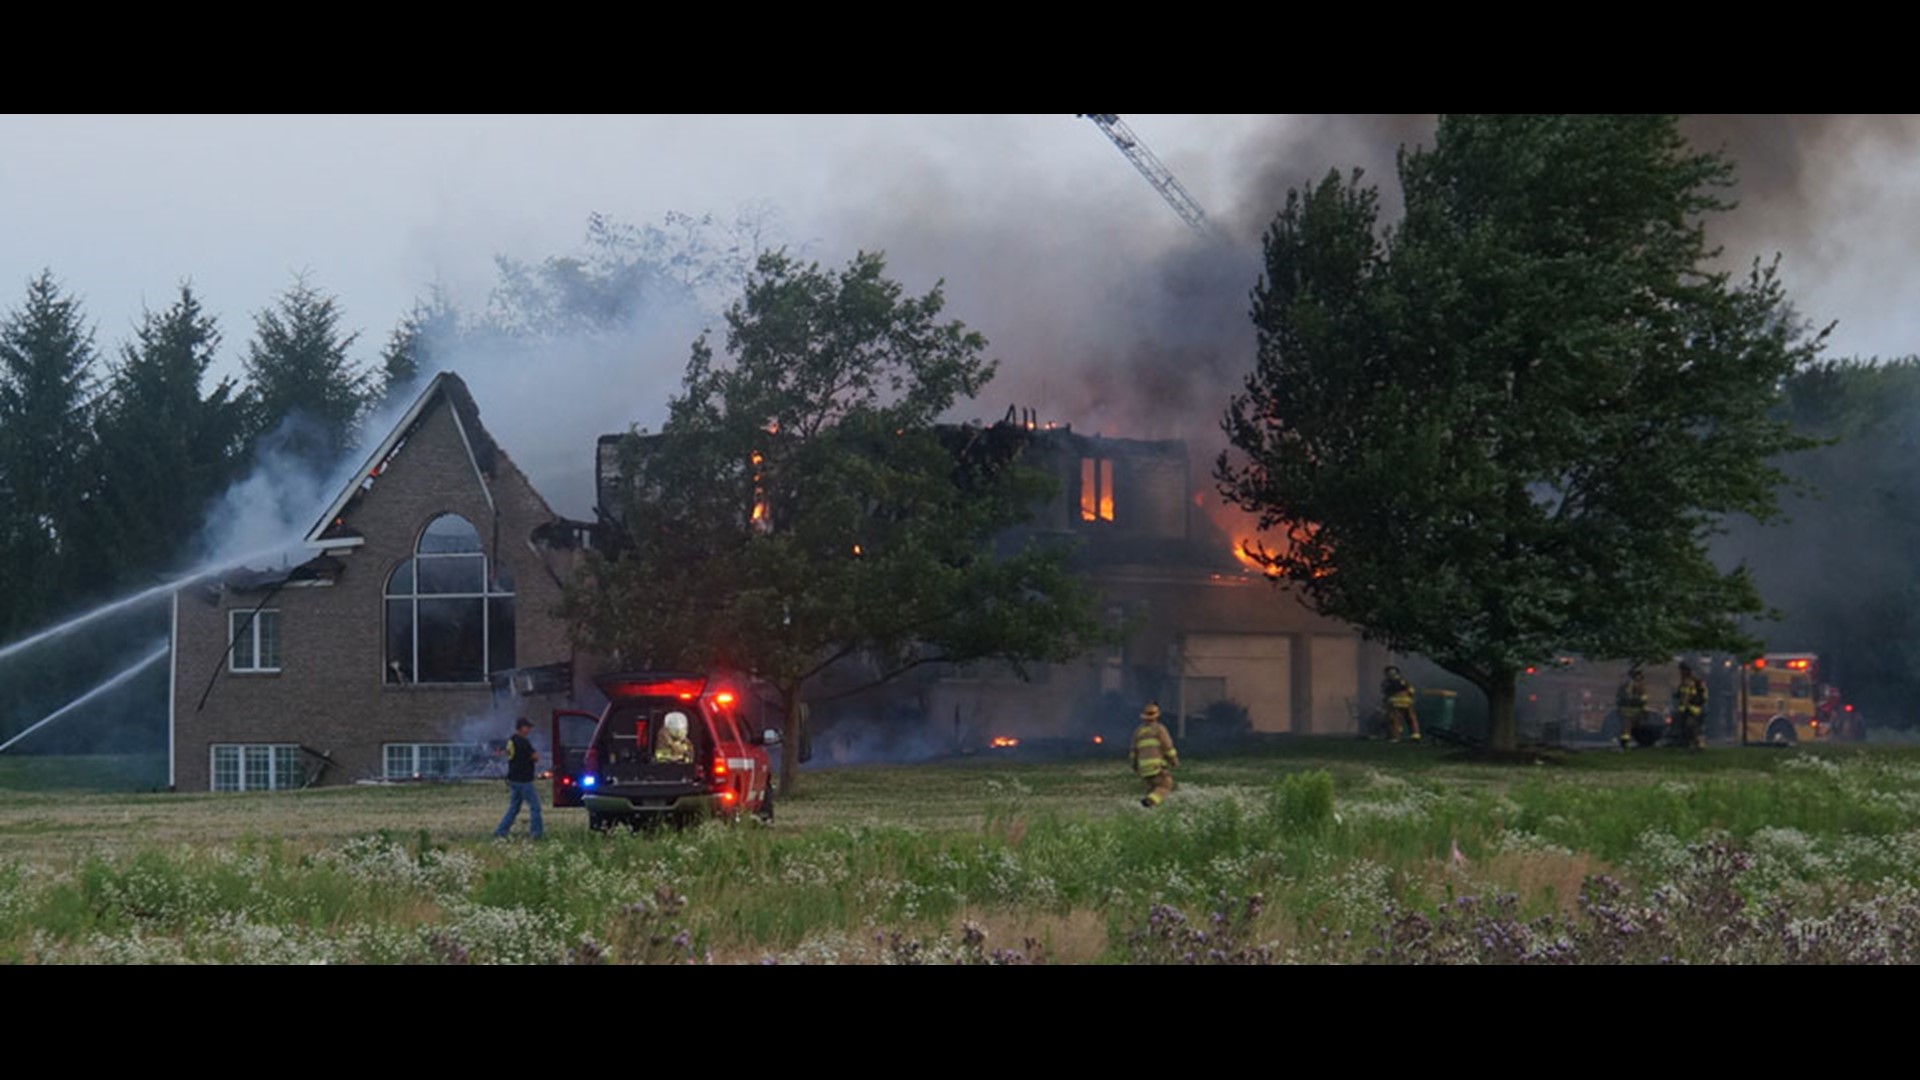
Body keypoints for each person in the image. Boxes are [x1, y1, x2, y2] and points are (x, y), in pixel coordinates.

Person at [494, 718, 544, 840]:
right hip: (524, 780)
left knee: (514, 807)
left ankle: (501, 831)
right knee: (535, 807)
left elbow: (508, 753)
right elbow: (535, 757)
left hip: (513, 778)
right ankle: (536, 833)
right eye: (528, 727)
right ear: (522, 728)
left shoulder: (511, 740)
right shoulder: (523, 742)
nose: (529, 730)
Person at [1130, 702, 1179, 808]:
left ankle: (1149, 809)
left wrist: (1135, 765)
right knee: (1165, 785)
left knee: (1151, 788)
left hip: (1143, 767)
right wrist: (1173, 760)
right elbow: (1167, 747)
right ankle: (1149, 802)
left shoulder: (1138, 732)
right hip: (1157, 766)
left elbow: (1133, 751)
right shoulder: (1159, 729)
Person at [1673, 662, 1708, 749]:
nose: (1681, 673)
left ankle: (1698, 743)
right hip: (1686, 709)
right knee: (1687, 727)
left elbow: (1688, 696)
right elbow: (1681, 695)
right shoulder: (1684, 682)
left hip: (1694, 709)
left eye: (1682, 671)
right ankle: (1691, 743)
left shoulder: (1693, 682)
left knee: (1692, 726)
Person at [1382, 665, 1421, 742]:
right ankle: (1415, 735)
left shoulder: (1387, 682)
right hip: (1405, 703)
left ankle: (1396, 736)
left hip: (1395, 704)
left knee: (1395, 720)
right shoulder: (1403, 681)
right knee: (1410, 719)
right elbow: (1411, 691)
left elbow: (1385, 692)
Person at [1615, 665, 1650, 750]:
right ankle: (1627, 745)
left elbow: (1618, 698)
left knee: (1626, 728)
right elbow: (1643, 699)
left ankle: (1625, 744)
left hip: (1625, 710)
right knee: (1631, 728)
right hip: (1635, 711)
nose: (1641, 677)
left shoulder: (1624, 685)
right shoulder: (1639, 686)